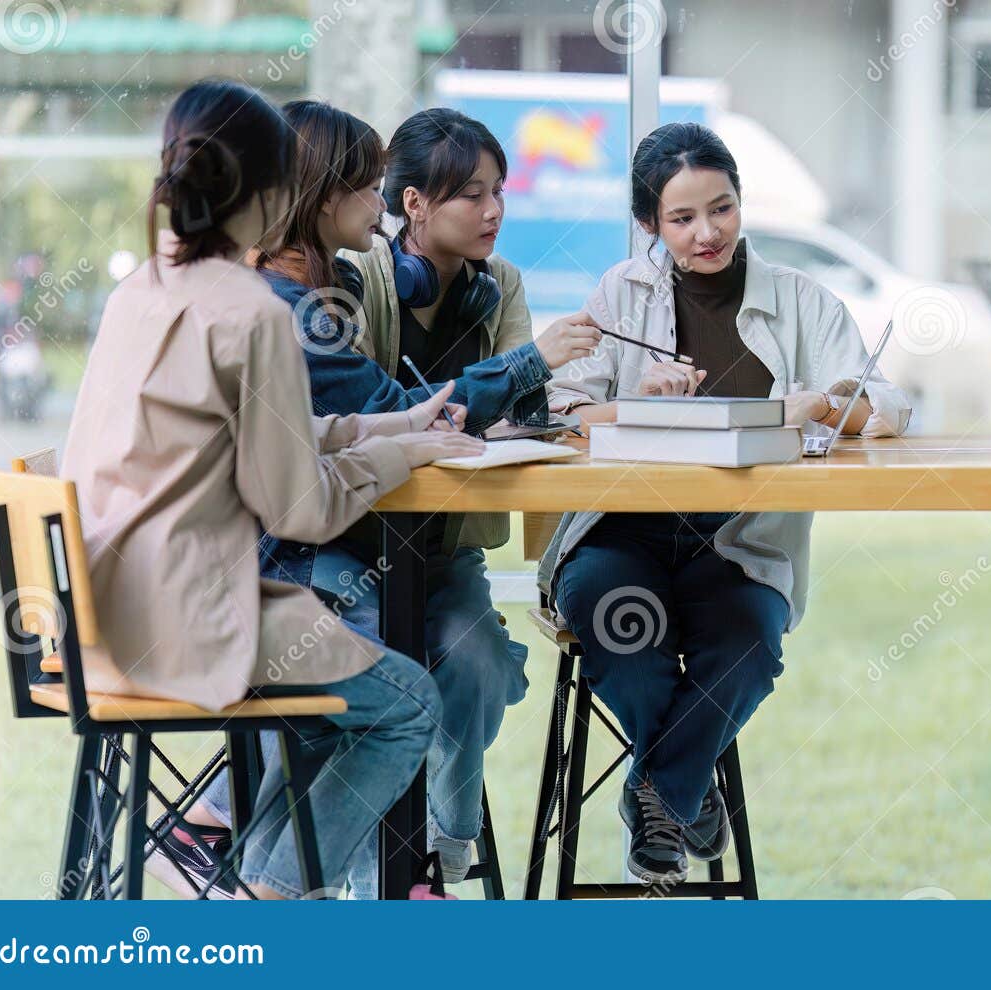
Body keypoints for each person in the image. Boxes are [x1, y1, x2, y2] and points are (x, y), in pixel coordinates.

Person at [61, 80, 484, 900]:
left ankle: (258, 887)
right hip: (186, 623)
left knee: (335, 677)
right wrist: (402, 459)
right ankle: (268, 900)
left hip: (94, 618)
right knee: (406, 704)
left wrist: (391, 430)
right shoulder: (249, 311)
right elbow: (303, 507)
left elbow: (248, 439)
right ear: (274, 190)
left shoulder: (139, 290)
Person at [541, 122, 912, 883]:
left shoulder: (801, 300)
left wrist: (835, 399)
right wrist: (635, 399)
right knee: (623, 637)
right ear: (650, 224)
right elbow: (563, 409)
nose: (707, 232)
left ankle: (657, 789)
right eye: (681, 219)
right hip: (623, 535)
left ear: (741, 202)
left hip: (739, 539)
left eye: (723, 208)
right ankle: (685, 787)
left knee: (747, 642)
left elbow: (887, 403)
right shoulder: (621, 293)